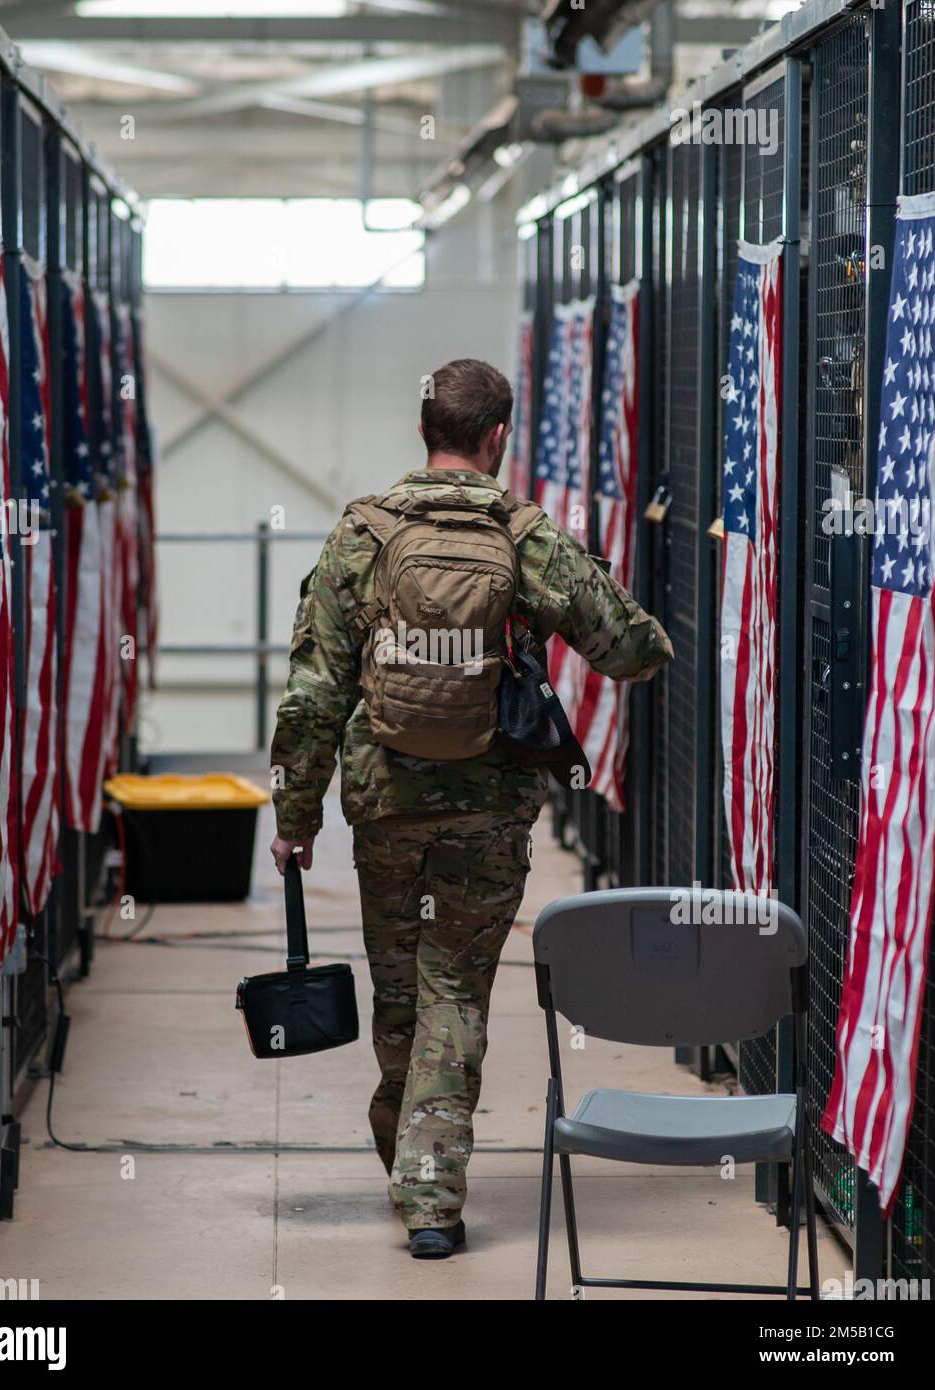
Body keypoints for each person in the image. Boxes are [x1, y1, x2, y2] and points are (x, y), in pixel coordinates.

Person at [269, 358, 672, 1258]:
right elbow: (633, 651)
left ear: (425, 433)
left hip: (384, 803)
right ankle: (431, 1188)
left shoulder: (362, 534)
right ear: (497, 436)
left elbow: (312, 692)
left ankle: (411, 1163)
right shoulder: (528, 537)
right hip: (488, 809)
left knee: (401, 987)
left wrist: (294, 816)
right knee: (457, 987)